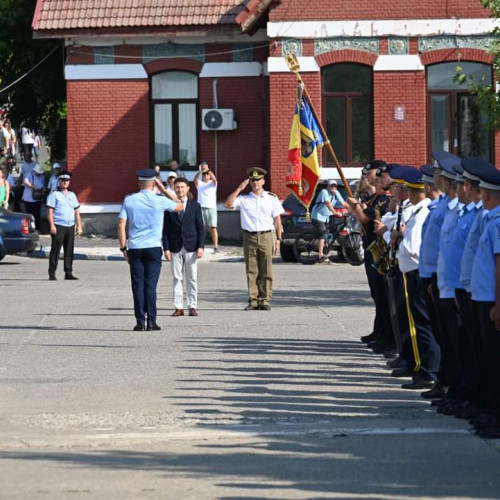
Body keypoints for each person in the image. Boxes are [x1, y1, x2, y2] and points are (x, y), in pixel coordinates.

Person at [118, 169, 183, 331]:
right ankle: (152, 321)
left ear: (138, 183)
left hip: (135, 247)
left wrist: (123, 248)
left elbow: (121, 225)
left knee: (137, 285)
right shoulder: (159, 199)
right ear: (154, 183)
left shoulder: (129, 200)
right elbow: (180, 205)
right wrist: (163, 189)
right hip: (153, 247)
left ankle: (140, 322)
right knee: (150, 286)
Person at [225, 167, 284, 311]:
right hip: (249, 236)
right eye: (252, 180)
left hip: (266, 236)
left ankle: (265, 300)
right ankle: (253, 300)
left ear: (263, 181)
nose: (255, 183)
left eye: (258, 180)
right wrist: (239, 188)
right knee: (251, 270)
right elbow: (228, 204)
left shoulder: (271, 198)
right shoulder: (244, 199)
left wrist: (278, 239)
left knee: (266, 270)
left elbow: (277, 220)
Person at [162, 177, 205, 317]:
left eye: (182, 187)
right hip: (175, 247)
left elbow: (200, 228)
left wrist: (201, 246)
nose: (180, 190)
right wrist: (166, 248)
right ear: (174, 189)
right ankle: (178, 307)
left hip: (191, 246)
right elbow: (166, 230)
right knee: (177, 278)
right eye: (177, 187)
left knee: (192, 278)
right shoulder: (170, 207)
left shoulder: (195, 206)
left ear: (187, 189)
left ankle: (192, 306)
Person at [46, 172, 83, 281]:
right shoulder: (54, 194)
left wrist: (79, 225)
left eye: (67, 181)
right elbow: (49, 211)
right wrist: (52, 225)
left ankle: (68, 272)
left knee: (69, 250)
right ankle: (52, 273)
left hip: (70, 225)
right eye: (63, 180)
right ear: (59, 181)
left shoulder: (72, 195)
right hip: (59, 225)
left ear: (69, 182)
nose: (65, 182)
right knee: (56, 250)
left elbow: (76, 211)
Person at [311, 179, 346, 263]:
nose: (333, 188)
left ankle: (325, 254)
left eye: (335, 186)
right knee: (323, 232)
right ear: (328, 186)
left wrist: (352, 210)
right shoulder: (324, 192)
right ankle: (320, 255)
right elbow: (327, 203)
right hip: (317, 216)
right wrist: (335, 212)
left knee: (327, 234)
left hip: (326, 217)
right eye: (331, 186)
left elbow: (344, 203)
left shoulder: (336, 193)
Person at [194, 161, 220, 253]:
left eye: (206, 174)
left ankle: (216, 247)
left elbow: (215, 179)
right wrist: (200, 171)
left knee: (213, 228)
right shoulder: (200, 183)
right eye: (204, 174)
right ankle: (200, 246)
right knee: (200, 228)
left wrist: (207, 170)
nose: (205, 175)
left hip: (211, 207)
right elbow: (195, 180)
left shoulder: (212, 184)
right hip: (201, 207)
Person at [22, 163, 46, 230]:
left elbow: (44, 184)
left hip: (38, 197)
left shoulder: (42, 176)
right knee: (29, 214)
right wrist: (32, 186)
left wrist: (44, 189)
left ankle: (37, 228)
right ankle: (29, 228)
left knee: (37, 214)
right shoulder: (29, 174)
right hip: (29, 199)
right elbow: (25, 181)